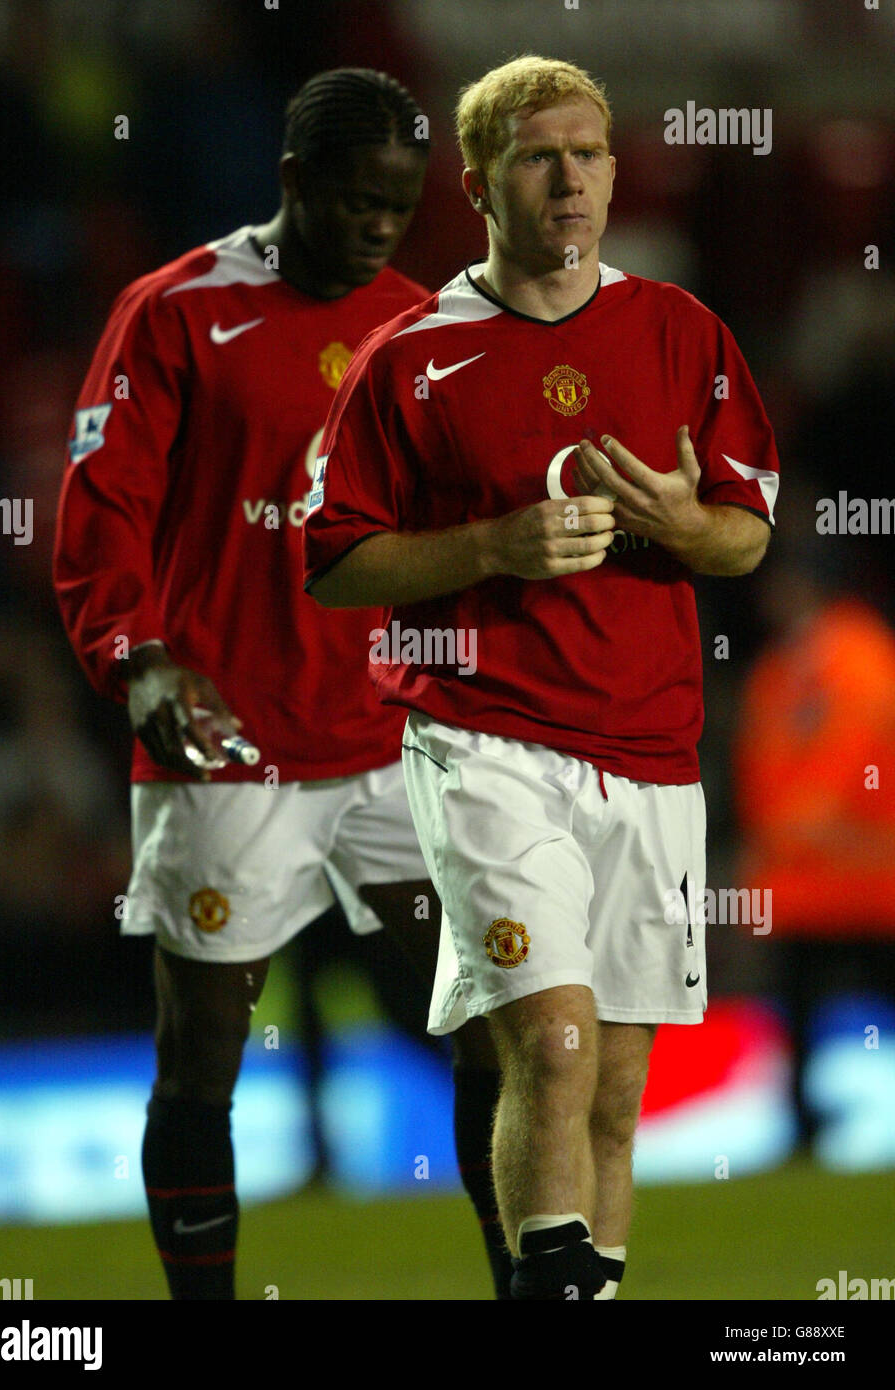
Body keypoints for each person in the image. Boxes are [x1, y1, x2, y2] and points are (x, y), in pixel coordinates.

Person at [304, 55, 780, 1300]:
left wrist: (682, 523)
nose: (566, 176)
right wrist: (489, 547)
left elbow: (746, 533)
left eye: (586, 151)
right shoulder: (410, 358)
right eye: (535, 154)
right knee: (554, 1053)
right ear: (477, 184)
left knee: (615, 1094)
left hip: (651, 751)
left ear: (615, 172)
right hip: (485, 742)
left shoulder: (682, 333)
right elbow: (335, 562)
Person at [54, 67, 501, 1302]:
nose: (375, 228)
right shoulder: (175, 311)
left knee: (489, 1030)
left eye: (398, 209)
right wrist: (136, 661)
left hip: (384, 740)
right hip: (227, 745)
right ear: (293, 178)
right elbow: (102, 519)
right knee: (201, 1056)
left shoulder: (425, 325)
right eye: (354, 200)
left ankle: (526, 1284)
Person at [734, 548, 895, 1150]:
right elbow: (758, 767)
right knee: (797, 1008)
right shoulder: (781, 666)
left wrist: (809, 816)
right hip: (802, 881)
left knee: (841, 993)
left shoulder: (857, 652)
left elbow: (857, 747)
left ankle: (806, 1122)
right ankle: (801, 1125)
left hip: (864, 870)